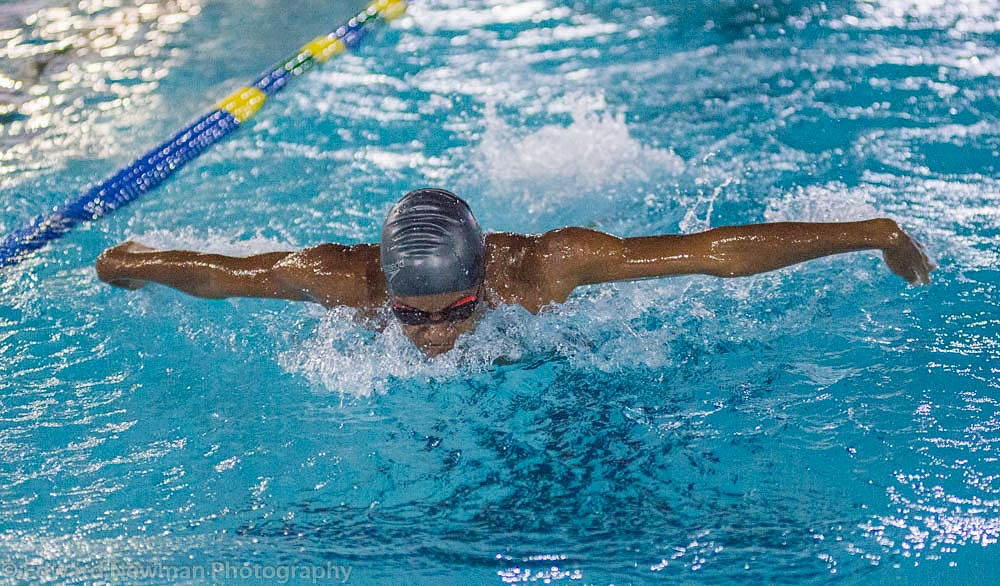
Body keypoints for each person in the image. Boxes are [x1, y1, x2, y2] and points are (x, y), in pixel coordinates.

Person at [96, 188, 935, 357]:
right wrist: (131, 264)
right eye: (411, 317)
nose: (431, 336)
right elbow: (221, 274)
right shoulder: (340, 279)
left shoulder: (542, 269)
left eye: (451, 313)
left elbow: (714, 255)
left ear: (479, 286)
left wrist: (872, 233)